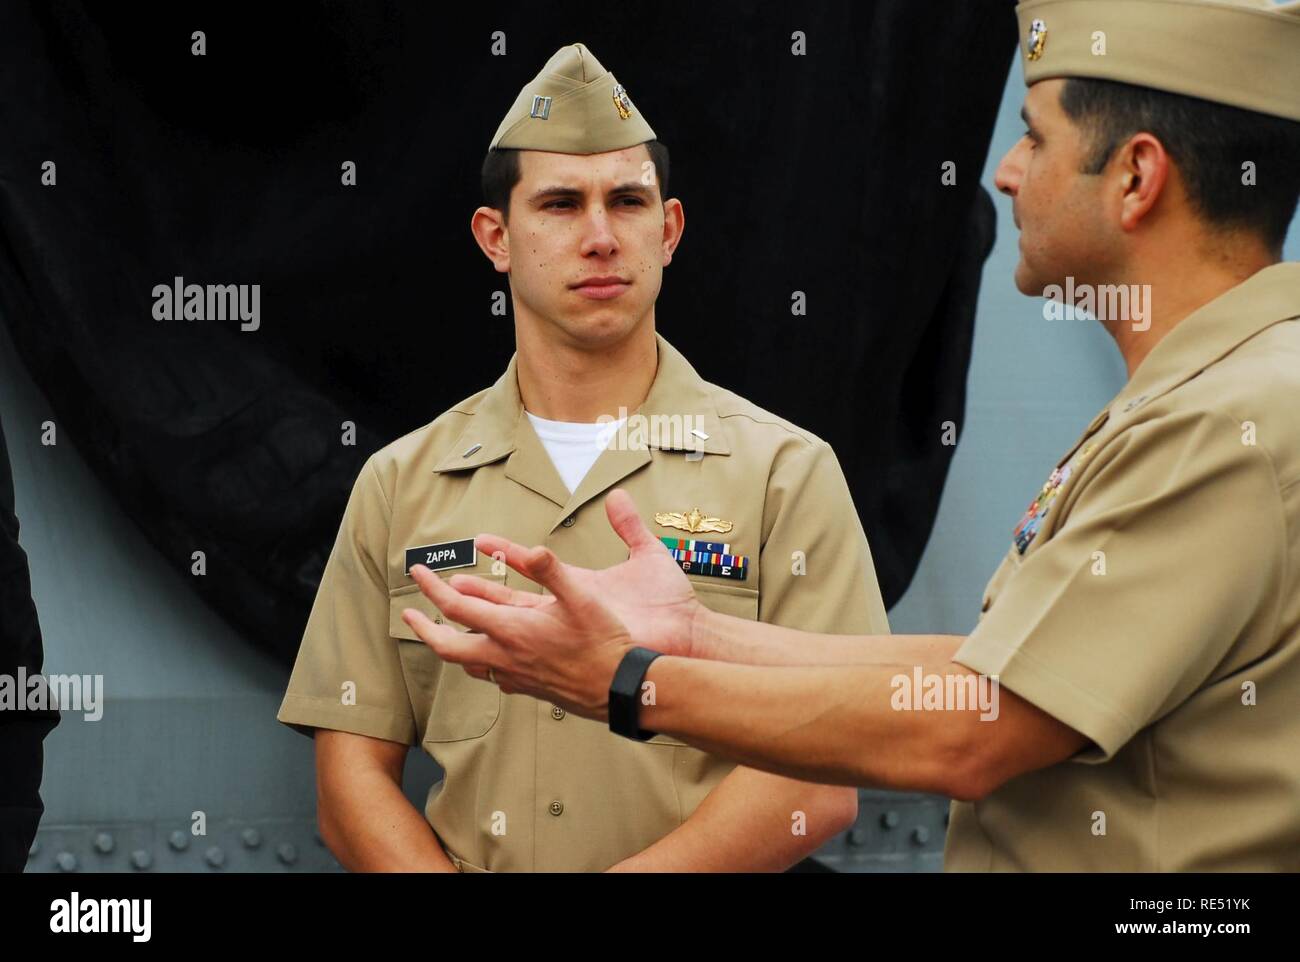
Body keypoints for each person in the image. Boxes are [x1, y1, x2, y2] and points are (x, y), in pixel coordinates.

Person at [404, 1, 1300, 870]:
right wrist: (694, 638)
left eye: (1034, 136)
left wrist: (627, 681)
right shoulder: (1222, 398)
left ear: (1137, 178)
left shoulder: (1225, 424)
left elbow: (975, 730)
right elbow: (995, 672)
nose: (1006, 173)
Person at [277, 42, 891, 872]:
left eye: (628, 202)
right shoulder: (402, 485)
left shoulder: (783, 473)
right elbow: (350, 778)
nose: (601, 237)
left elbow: (824, 773)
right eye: (562, 204)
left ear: (668, 229)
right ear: (495, 238)